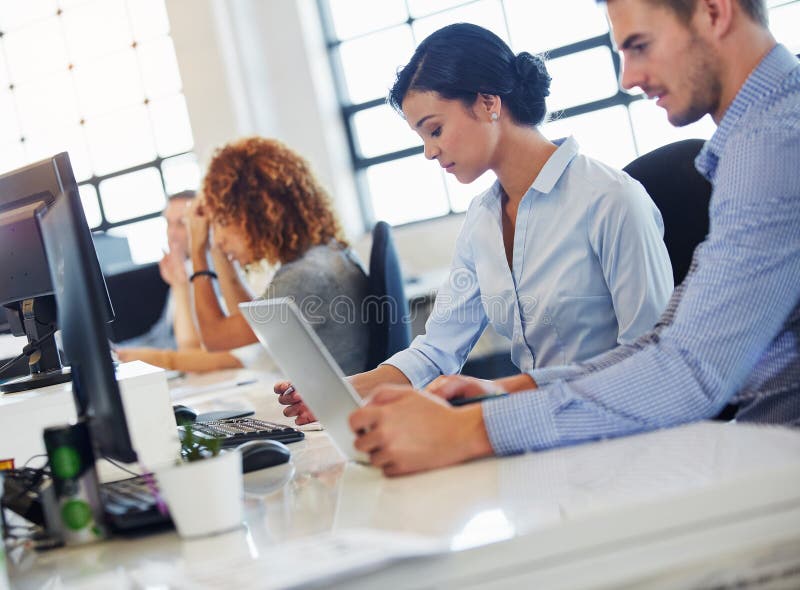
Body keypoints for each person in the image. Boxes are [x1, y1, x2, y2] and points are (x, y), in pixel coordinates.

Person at [343, 0, 800, 476]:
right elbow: (668, 344)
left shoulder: (772, 144)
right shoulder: (751, 143)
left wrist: (475, 428)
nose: (628, 78)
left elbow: (689, 369)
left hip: (749, 467)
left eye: (639, 45)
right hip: (738, 448)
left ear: (713, 11)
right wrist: (512, 392)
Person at [276, 23, 674, 424]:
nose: (430, 152)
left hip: (617, 428)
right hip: (537, 427)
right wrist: (340, 390)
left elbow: (650, 359)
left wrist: (505, 391)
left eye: (435, 129)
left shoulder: (610, 199)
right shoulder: (482, 219)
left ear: (487, 103)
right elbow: (438, 349)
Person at [188, 136, 371, 375]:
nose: (219, 237)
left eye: (223, 221)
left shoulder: (304, 278)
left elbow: (216, 339)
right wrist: (217, 249)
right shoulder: (325, 255)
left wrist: (197, 250)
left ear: (257, 213)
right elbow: (246, 318)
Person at [116, 190, 244, 372]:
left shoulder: (214, 272)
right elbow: (162, 336)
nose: (172, 234)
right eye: (168, 224)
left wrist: (143, 357)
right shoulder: (185, 267)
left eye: (181, 224)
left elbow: (195, 347)